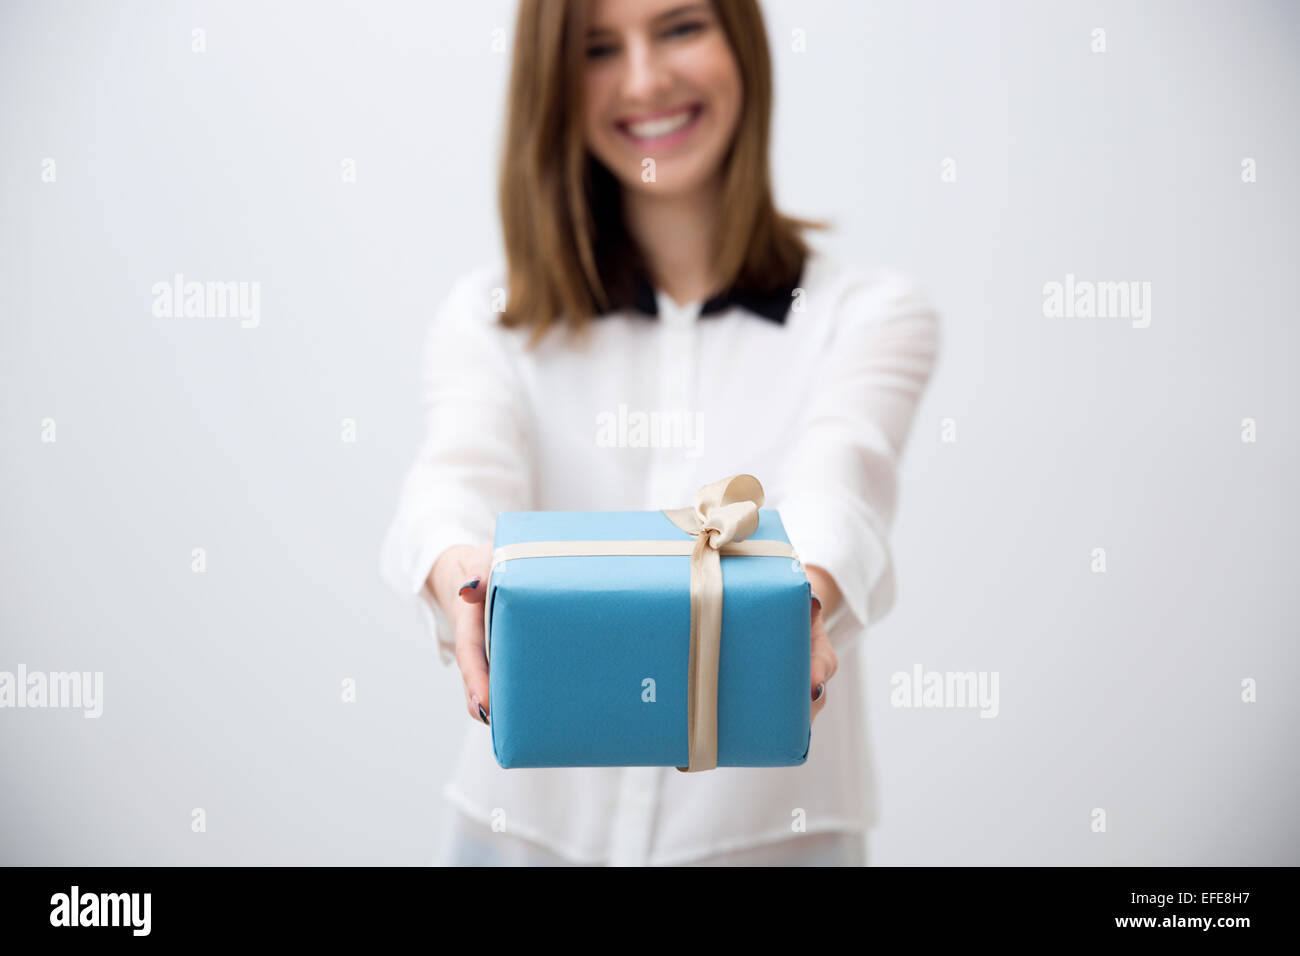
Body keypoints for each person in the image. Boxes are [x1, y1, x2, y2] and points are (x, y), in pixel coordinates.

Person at [381, 0, 940, 866]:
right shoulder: (487, 318)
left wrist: (806, 604)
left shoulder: (865, 316)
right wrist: (460, 570)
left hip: (775, 839)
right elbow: (456, 474)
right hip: (520, 835)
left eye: (680, 28)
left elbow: (842, 487)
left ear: (741, 41)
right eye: (599, 48)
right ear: (553, 84)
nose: (645, 80)